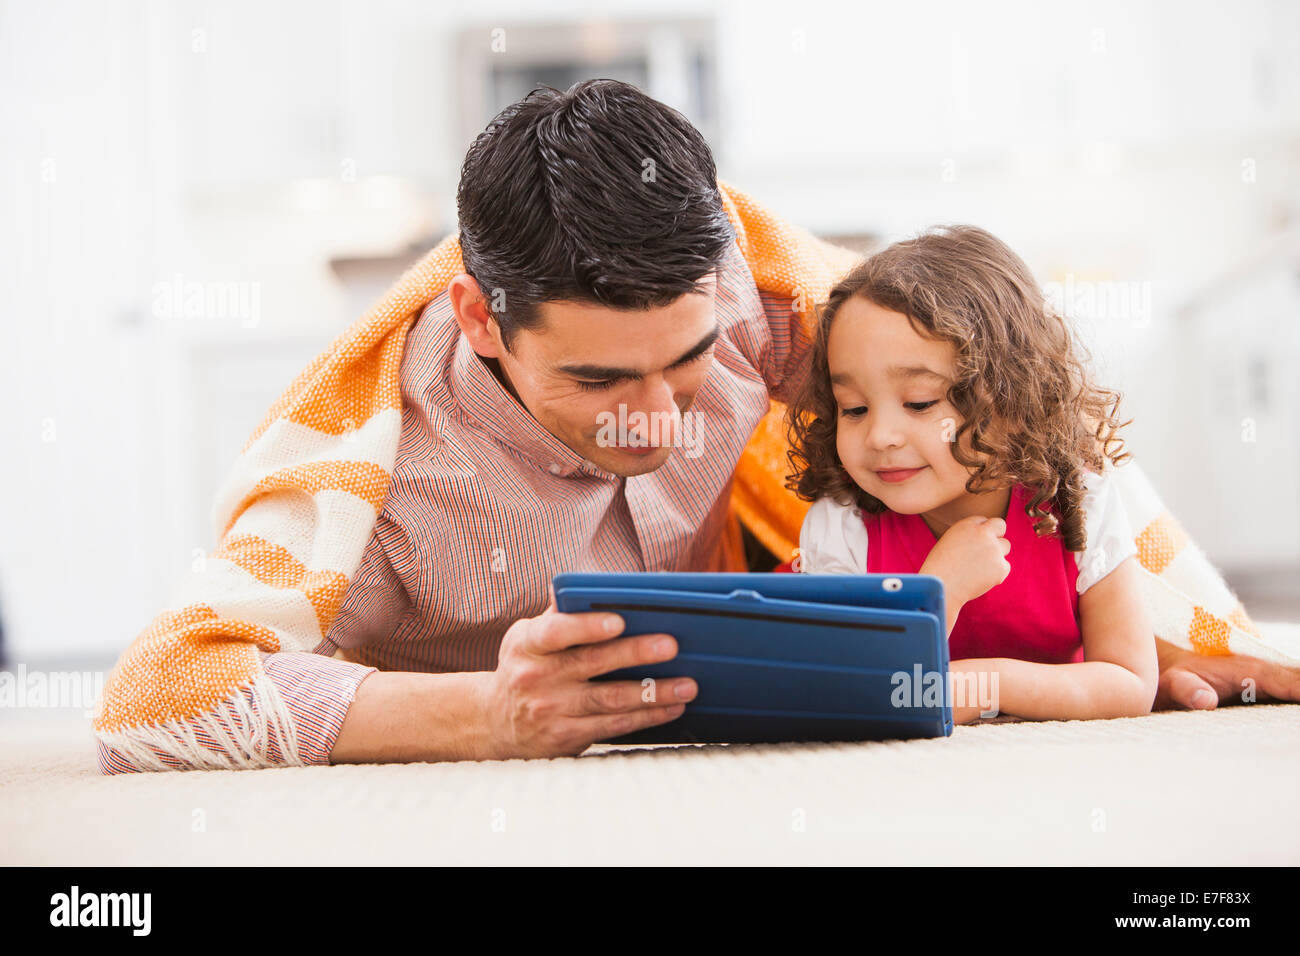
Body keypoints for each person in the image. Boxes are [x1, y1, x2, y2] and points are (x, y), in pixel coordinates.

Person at [96, 81, 1300, 773]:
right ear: (479, 316)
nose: (661, 418)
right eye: (599, 379)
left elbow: (996, 404)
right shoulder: (379, 462)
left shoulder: (757, 300)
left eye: (685, 362)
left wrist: (1143, 618)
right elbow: (150, 703)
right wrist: (484, 714)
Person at [786, 226, 1158, 722]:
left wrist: (983, 685)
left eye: (919, 402)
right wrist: (939, 590)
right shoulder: (844, 524)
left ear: (1013, 399)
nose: (880, 436)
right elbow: (840, 692)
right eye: (853, 408)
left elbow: (1130, 682)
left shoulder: (1079, 500)